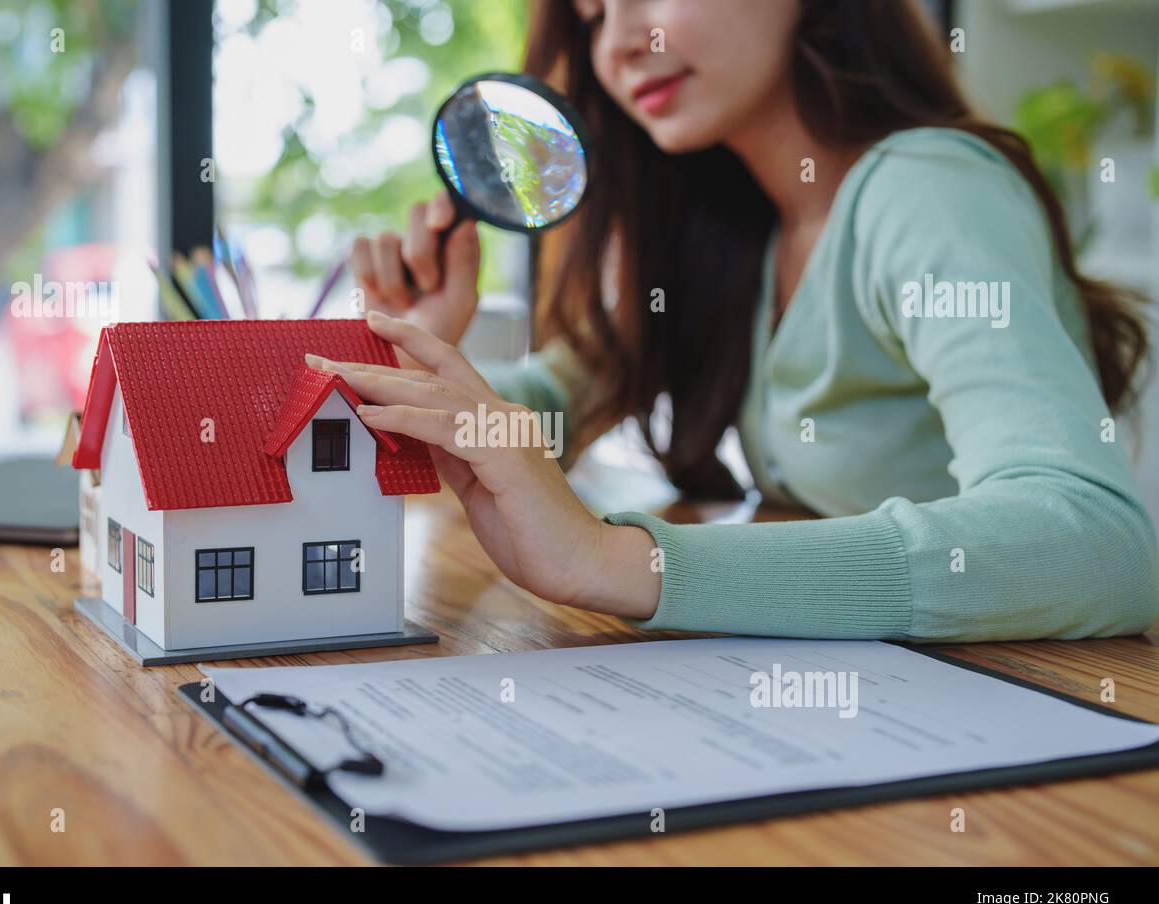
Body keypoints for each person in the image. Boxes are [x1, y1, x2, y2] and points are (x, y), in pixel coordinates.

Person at [321, 0, 1159, 642]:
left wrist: (623, 561)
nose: (618, 43)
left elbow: (1094, 543)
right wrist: (425, 354)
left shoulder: (927, 189)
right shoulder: (742, 240)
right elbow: (543, 412)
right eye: (595, 13)